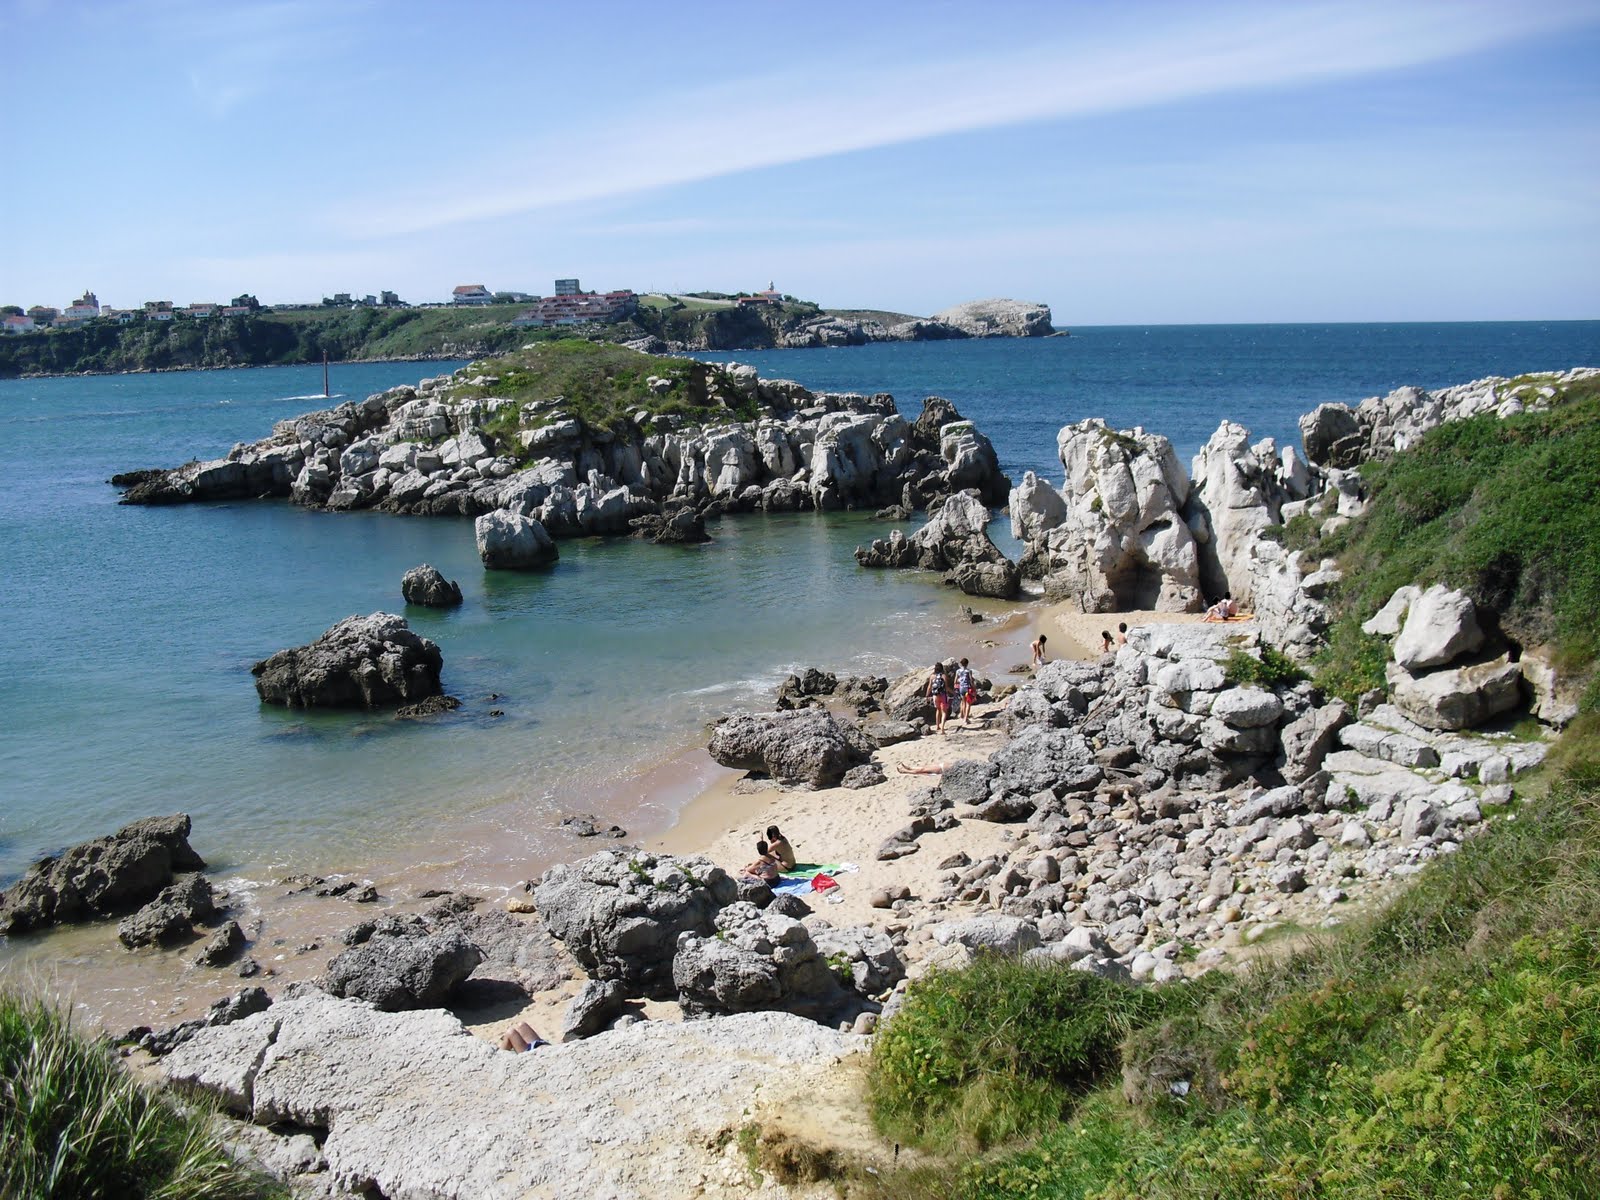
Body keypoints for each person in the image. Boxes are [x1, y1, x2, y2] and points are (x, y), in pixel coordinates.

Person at [926, 660, 951, 735]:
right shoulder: (943, 676)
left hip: (935, 695)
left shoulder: (932, 676)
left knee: (938, 710)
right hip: (943, 695)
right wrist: (953, 692)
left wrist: (927, 695)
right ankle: (942, 729)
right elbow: (946, 687)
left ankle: (937, 726)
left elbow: (929, 687)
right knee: (944, 712)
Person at [954, 657, 977, 727]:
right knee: (968, 704)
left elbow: (955, 681)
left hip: (961, 688)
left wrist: (960, 682)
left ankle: (964, 717)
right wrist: (974, 688)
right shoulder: (969, 671)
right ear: (967, 664)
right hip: (967, 688)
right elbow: (971, 680)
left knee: (963, 703)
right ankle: (965, 718)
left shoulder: (958, 671)